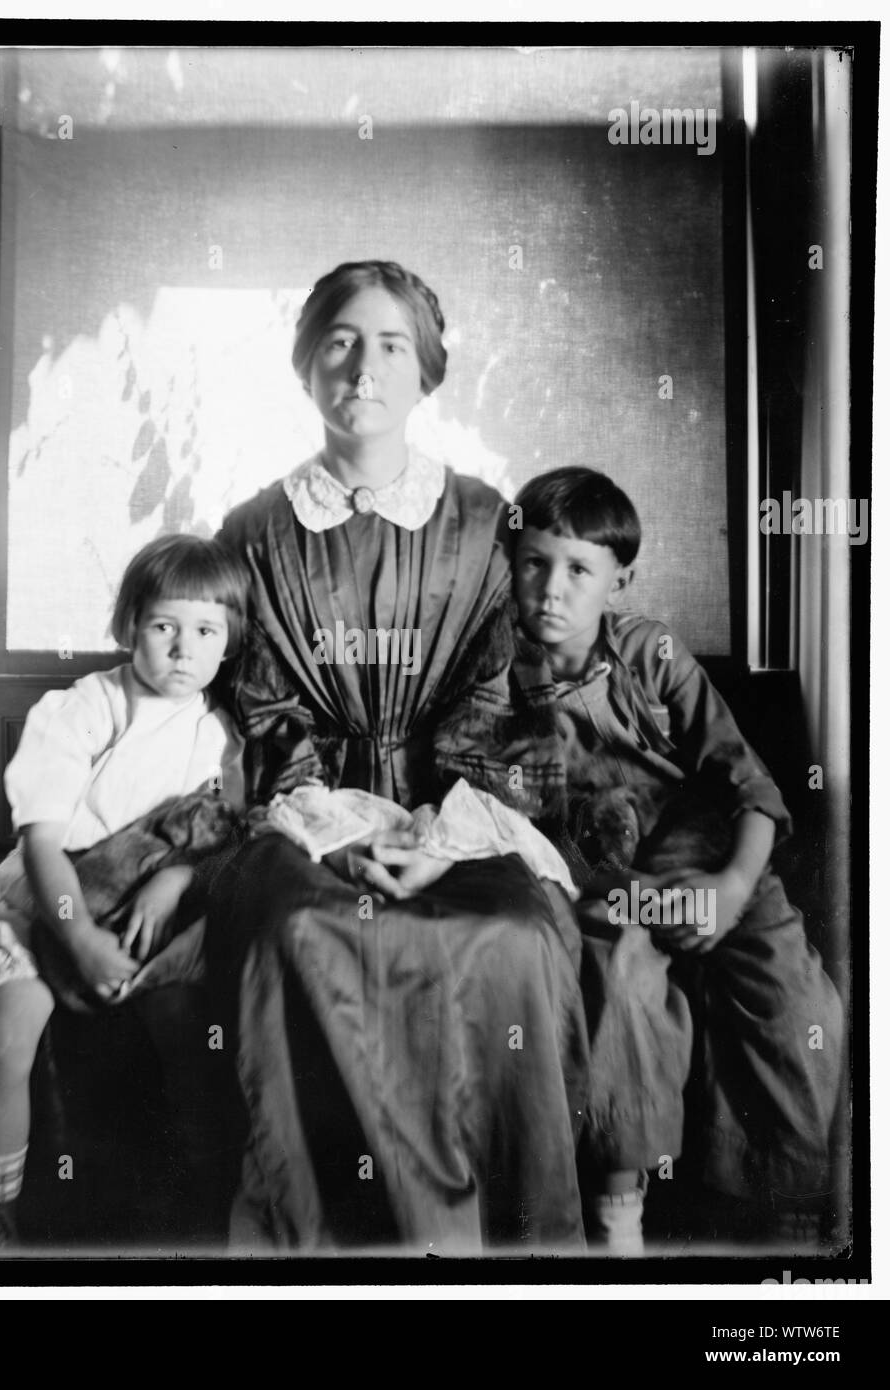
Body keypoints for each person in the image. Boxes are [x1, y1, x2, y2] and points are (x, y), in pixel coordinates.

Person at [212, 260, 590, 1253]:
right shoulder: (254, 532)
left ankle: (507, 1245)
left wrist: (440, 836)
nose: (363, 366)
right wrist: (334, 827)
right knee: (296, 927)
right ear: (306, 367)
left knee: (517, 935)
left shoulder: (481, 521)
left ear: (425, 372)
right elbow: (262, 706)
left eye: (389, 345)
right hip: (309, 818)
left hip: (455, 807)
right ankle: (316, 1242)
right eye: (339, 339)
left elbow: (496, 696)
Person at [506, 465, 844, 1252]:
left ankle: (786, 1207)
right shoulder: (492, 678)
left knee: (795, 998)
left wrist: (728, 888)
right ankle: (617, 1212)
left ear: (617, 579)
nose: (551, 590)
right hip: (594, 870)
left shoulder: (651, 654)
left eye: (578, 569)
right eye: (532, 563)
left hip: (703, 848)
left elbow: (750, 787)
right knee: (617, 978)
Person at [0, 535, 247, 1245]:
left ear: (229, 643)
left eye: (205, 631)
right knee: (12, 1023)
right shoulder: (80, 709)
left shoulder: (219, 734)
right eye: (163, 626)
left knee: (193, 1022)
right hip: (44, 897)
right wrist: (75, 936)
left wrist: (173, 880)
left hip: (142, 899)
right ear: (128, 625)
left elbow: (216, 834)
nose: (181, 650)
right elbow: (41, 843)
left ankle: (196, 1200)